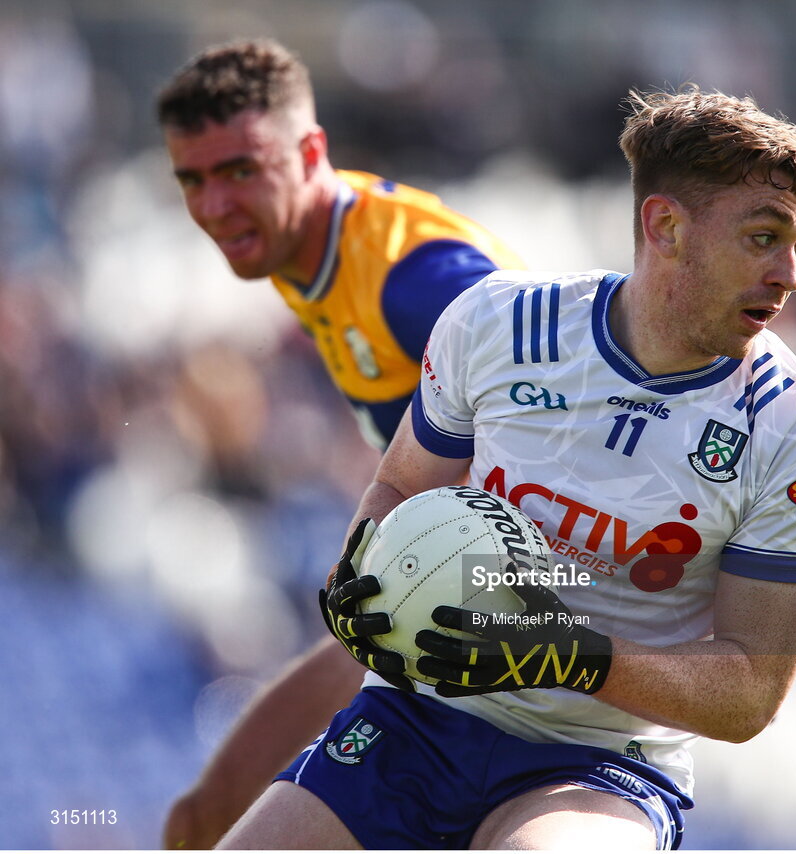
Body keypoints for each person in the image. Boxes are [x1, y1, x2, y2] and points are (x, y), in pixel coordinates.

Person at [215, 85, 796, 850]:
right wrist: (360, 567)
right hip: (415, 716)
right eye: (762, 237)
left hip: (600, 763)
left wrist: (572, 656)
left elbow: (749, 693)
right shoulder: (498, 322)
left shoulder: (794, 429)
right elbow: (400, 486)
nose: (789, 275)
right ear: (666, 225)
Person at [155, 38, 523, 849]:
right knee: (203, 818)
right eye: (193, 179)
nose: (215, 204)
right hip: (420, 604)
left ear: (311, 151)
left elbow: (556, 436)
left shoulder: (417, 277)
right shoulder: (307, 250)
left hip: (499, 629)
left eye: (240, 171)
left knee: (213, 819)